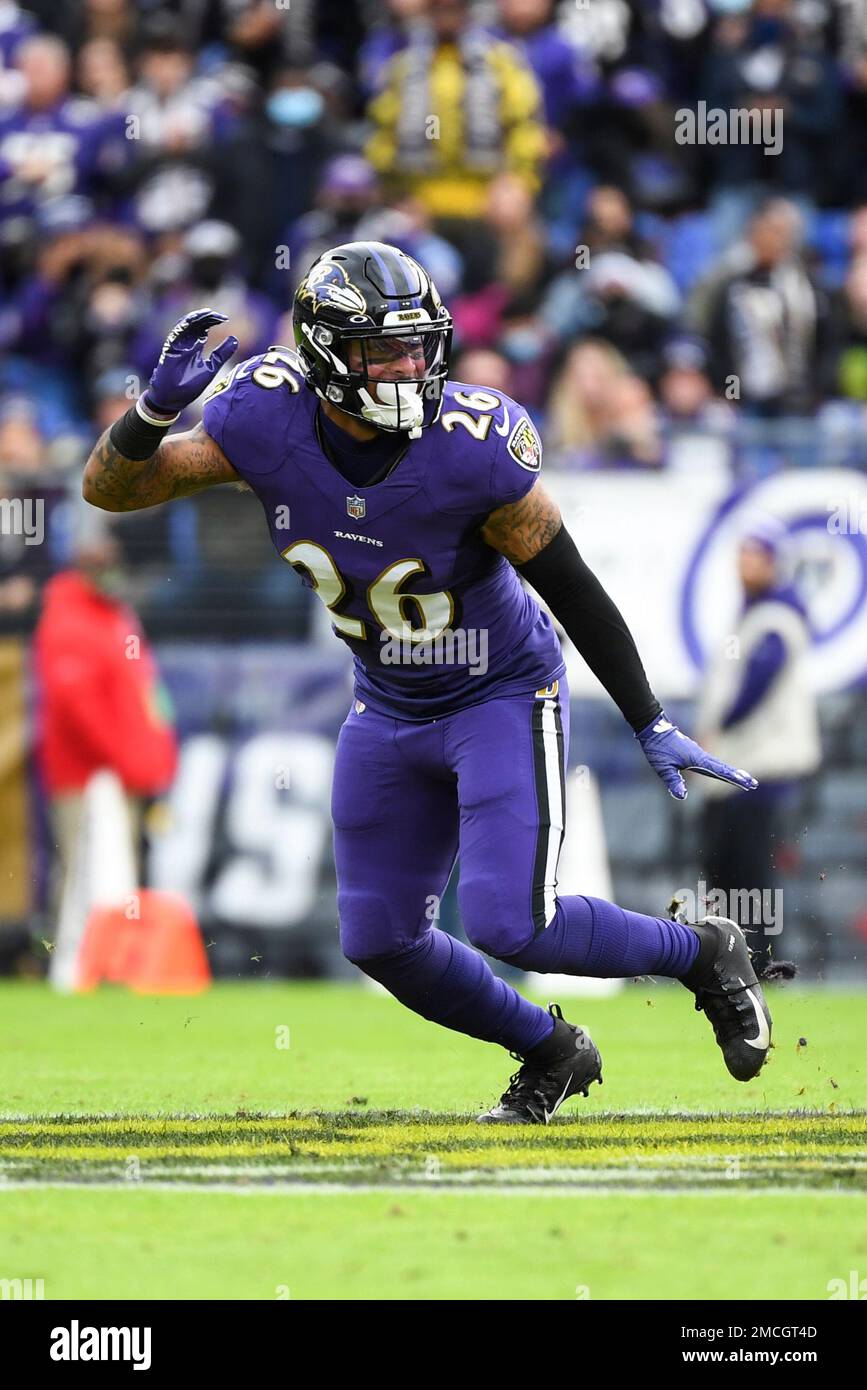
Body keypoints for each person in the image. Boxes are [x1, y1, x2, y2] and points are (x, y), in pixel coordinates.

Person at [82, 239, 774, 1125]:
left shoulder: (472, 447)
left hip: (498, 693)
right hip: (387, 701)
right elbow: (114, 490)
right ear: (328, 353)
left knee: (509, 921)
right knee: (378, 938)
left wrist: (647, 717)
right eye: (386, 351)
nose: (413, 368)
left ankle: (701, 952)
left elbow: (572, 586)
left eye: (421, 345)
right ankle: (551, 1049)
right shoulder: (263, 418)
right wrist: (150, 410)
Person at [696, 521, 821, 971]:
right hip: (740, 767)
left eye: (755, 556)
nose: (744, 564)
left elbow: (756, 684)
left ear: (773, 563)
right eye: (742, 554)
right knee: (727, 873)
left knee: (751, 874)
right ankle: (732, 961)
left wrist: (717, 728)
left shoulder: (775, 617)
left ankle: (763, 963)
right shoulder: (750, 615)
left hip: (761, 767)